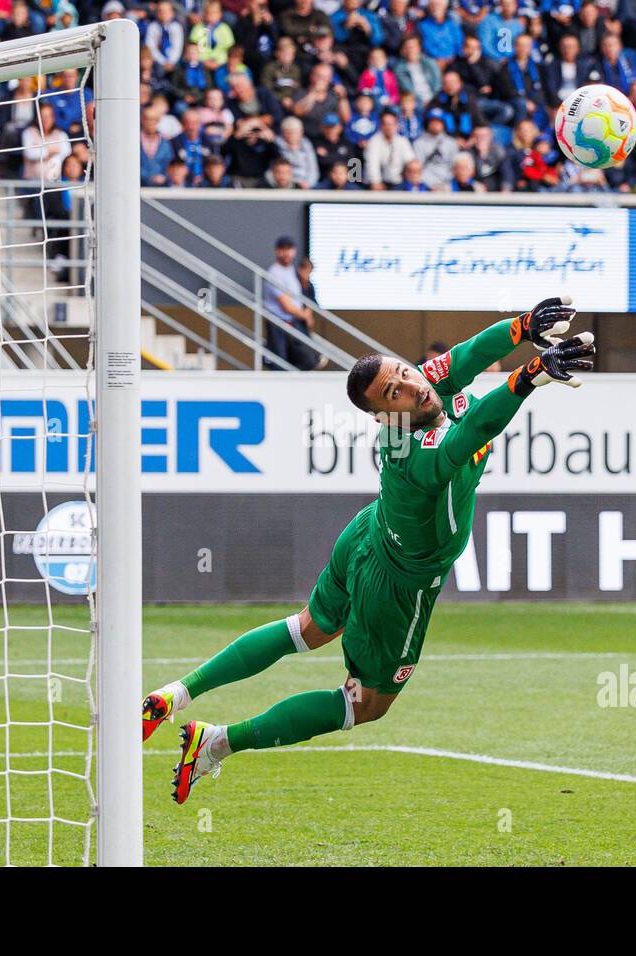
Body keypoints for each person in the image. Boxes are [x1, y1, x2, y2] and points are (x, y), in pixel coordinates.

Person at [145, 299, 597, 803]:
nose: (412, 385)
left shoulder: (421, 391)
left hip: (366, 535)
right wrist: (526, 377)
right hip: (398, 582)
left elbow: (466, 356)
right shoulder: (414, 455)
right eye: (395, 392)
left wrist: (520, 328)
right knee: (362, 704)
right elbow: (473, 432)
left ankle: (174, 694)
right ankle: (217, 742)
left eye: (404, 374)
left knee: (307, 629)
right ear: (385, 416)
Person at [262, 235, 322, 370]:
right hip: (279, 322)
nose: (286, 253)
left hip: (293, 322)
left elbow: (303, 295)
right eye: (283, 249)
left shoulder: (290, 270)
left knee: (307, 359)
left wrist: (308, 313)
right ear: (277, 251)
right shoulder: (275, 273)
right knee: (280, 361)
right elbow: (287, 305)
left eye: (289, 249)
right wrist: (305, 315)